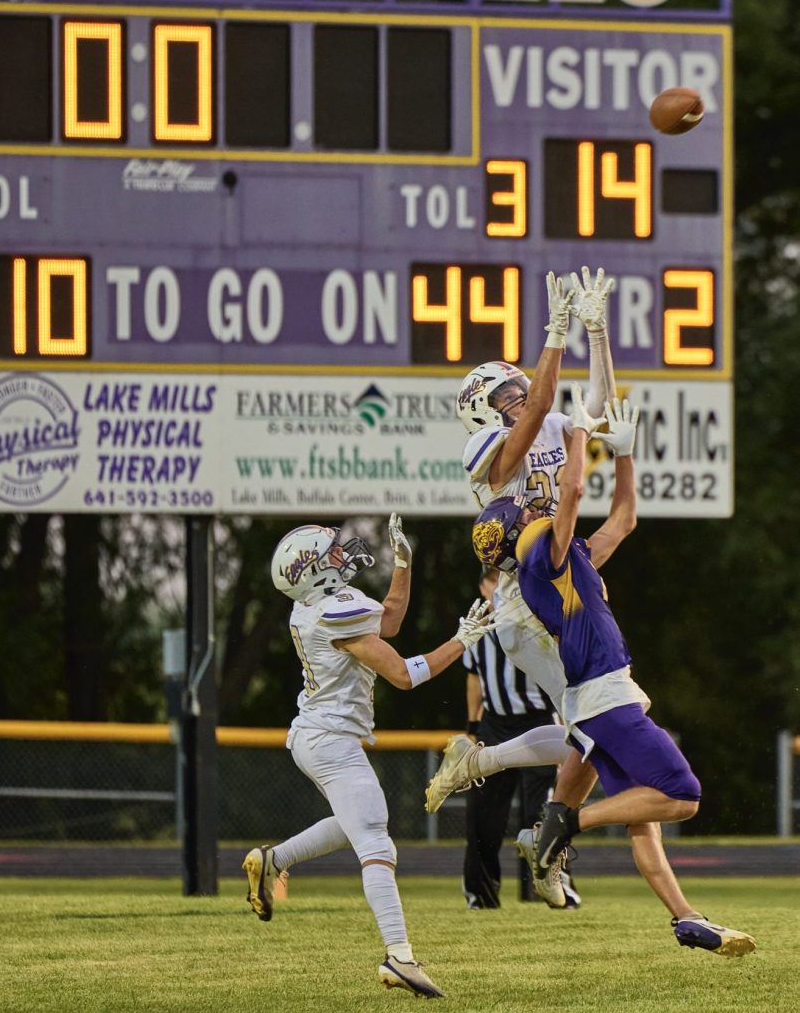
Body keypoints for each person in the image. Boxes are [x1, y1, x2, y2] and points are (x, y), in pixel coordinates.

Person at [472, 386, 756, 957]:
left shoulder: (560, 555)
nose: (534, 503)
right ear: (512, 530)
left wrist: (624, 454)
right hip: (604, 696)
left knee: (645, 818)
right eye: (525, 508)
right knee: (681, 796)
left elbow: (623, 519)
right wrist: (579, 431)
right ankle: (561, 826)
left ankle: (686, 919)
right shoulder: (537, 557)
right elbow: (573, 487)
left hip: (596, 697)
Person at [242, 514, 495, 998]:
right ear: (312, 573)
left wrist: (404, 564)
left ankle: (274, 860)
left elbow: (391, 620)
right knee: (377, 841)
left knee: (356, 822)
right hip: (329, 739)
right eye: (329, 555)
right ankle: (399, 955)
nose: (341, 555)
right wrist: (459, 642)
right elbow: (403, 674)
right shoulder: (333, 613)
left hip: (315, 736)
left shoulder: (318, 605)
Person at [426, 266, 617, 906]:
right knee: (594, 727)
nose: (519, 392)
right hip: (522, 600)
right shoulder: (485, 447)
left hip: (560, 585)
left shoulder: (545, 417)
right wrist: (556, 331)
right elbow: (537, 411)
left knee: (586, 732)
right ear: (483, 407)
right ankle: (544, 840)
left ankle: (537, 832)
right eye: (505, 389)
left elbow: (597, 410)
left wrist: (596, 332)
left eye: (517, 384)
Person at [458, 566, 581, 911]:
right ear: (484, 585)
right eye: (496, 581)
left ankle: (555, 891)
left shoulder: (536, 613)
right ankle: (480, 897)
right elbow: (473, 675)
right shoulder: (474, 623)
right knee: (482, 818)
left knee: (543, 814)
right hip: (493, 725)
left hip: (540, 721)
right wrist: (471, 724)